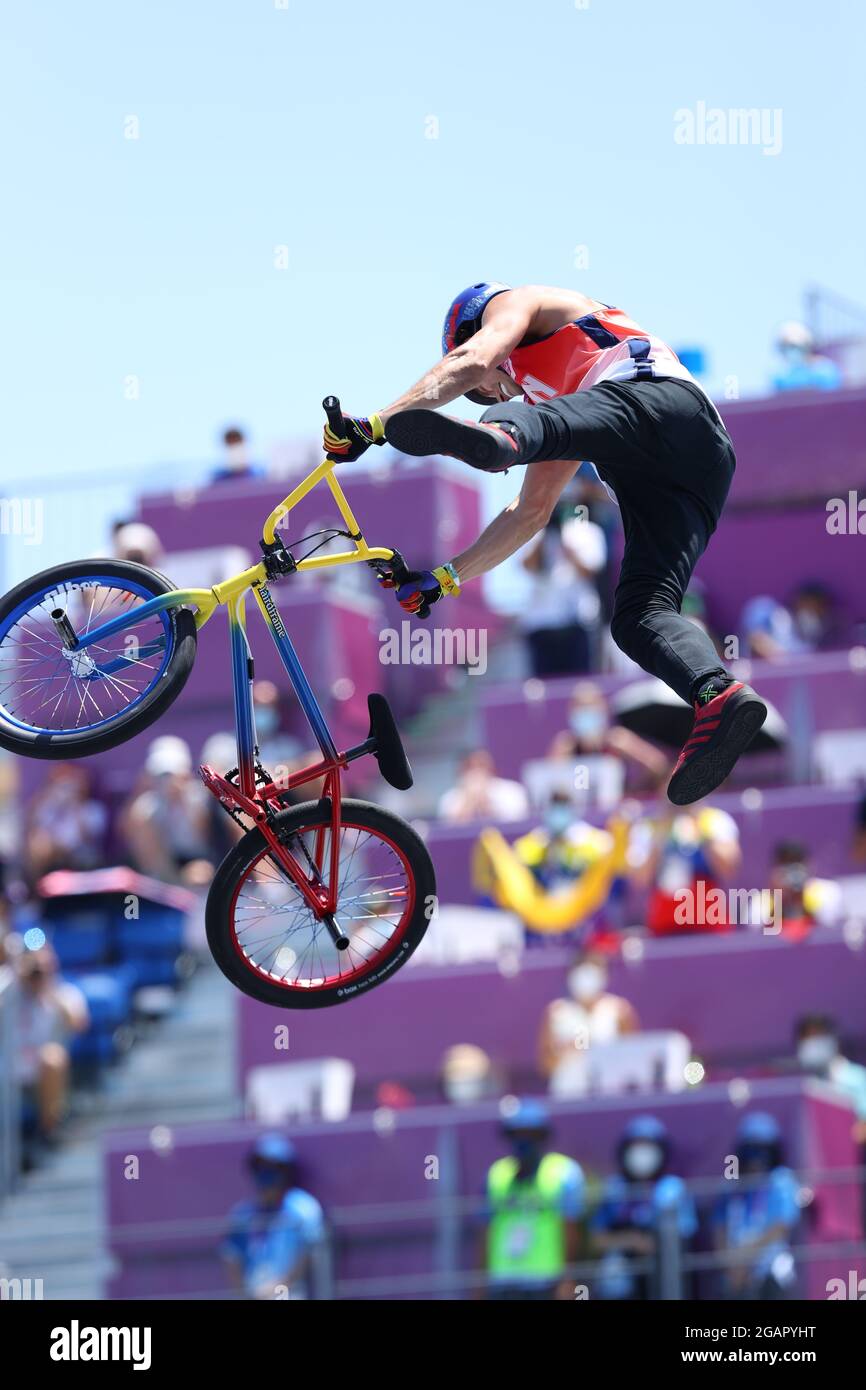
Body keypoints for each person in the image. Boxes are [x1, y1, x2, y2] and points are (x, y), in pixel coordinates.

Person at [324, 283, 768, 806]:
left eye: (490, 389)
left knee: (516, 429)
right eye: (490, 396)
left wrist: (375, 424)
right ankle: (717, 694)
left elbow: (473, 358)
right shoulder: (557, 404)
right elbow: (530, 512)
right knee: (639, 615)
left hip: (653, 400)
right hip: (697, 469)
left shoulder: (518, 303)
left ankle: (498, 442)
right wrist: (446, 578)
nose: (499, 391)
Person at [481, 1099, 583, 1300]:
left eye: (531, 1135)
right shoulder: (496, 1174)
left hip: (546, 1281)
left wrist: (567, 1278)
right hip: (504, 1281)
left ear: (543, 1137)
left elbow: (571, 1229)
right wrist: (480, 1284)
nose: (523, 1142)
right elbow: (485, 1231)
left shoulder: (563, 1172)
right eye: (517, 1135)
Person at [591, 1115, 697, 1300]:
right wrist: (630, 1241)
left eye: (649, 1147)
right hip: (624, 1279)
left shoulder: (672, 1188)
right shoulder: (615, 1188)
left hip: (662, 1273)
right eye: (636, 1147)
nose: (642, 1154)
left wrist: (656, 1244)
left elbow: (685, 1235)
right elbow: (596, 1239)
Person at [221, 1134, 325, 1300]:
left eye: (273, 1168)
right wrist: (244, 1295)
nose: (266, 1175)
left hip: (290, 1295)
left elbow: (311, 1252)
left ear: (285, 1172)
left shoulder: (304, 1208)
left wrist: (279, 1287)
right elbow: (231, 1257)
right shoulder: (243, 1214)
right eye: (260, 1168)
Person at [712, 1112, 800, 1299]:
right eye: (752, 1151)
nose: (757, 1159)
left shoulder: (782, 1181)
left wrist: (746, 1258)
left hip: (769, 1269)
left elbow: (780, 1229)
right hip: (734, 1270)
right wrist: (730, 1264)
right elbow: (719, 1228)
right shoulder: (731, 1184)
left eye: (764, 1151)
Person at [518, 491, 607, 677]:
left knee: (580, 684)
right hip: (542, 626)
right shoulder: (535, 532)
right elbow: (528, 566)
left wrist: (566, 540)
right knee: (544, 691)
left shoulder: (588, 531)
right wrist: (544, 532)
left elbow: (590, 572)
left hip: (578, 625)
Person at [15, 944, 89, 1145]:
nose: (38, 972)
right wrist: (17, 979)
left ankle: (49, 1134)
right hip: (10, 1071)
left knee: (52, 1057)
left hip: (42, 1075)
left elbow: (78, 1022)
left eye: (43, 966)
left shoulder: (65, 992)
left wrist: (48, 988)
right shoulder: (10, 994)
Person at [538, 947, 639, 1082]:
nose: (586, 981)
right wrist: (566, 1051)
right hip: (569, 1091)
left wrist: (601, 1050)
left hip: (610, 1090)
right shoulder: (556, 1012)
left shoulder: (619, 1010)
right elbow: (545, 1065)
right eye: (581, 974)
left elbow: (633, 1058)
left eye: (591, 974)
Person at [438, 749, 529, 825]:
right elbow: (449, 830)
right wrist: (469, 800)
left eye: (481, 765)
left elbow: (516, 825)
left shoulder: (512, 790)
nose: (476, 771)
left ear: (491, 768)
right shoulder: (449, 798)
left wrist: (485, 802)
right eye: (470, 767)